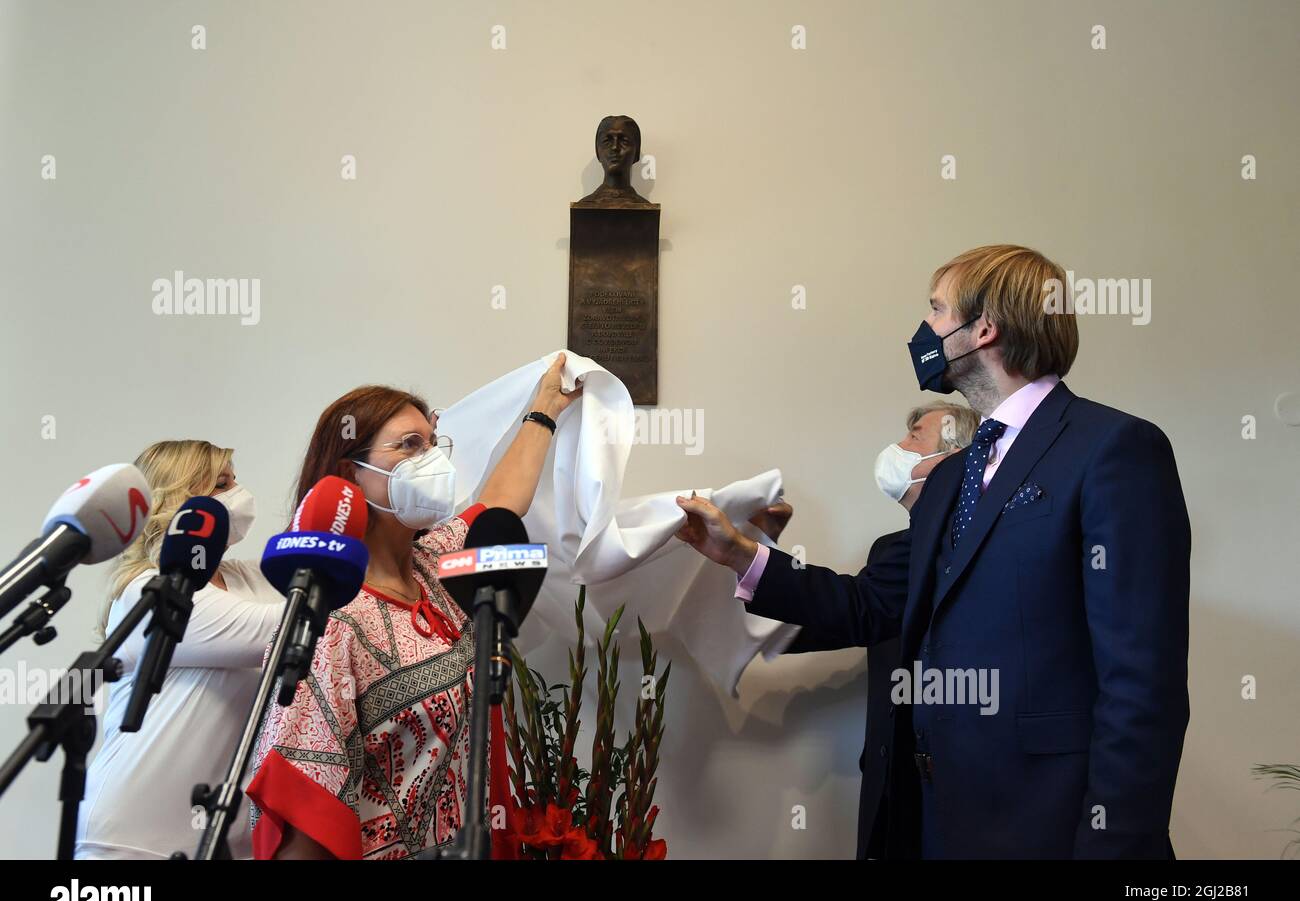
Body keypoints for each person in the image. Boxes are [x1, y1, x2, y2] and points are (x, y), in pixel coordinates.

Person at [676, 245, 1192, 859]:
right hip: (933, 819)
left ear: (985, 328)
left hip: (1047, 823)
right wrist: (739, 554)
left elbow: (1142, 682)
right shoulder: (951, 478)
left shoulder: (1113, 448)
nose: (924, 331)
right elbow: (874, 606)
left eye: (937, 310)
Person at [246, 354, 581, 859]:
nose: (433, 462)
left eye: (432, 443)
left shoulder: (437, 565)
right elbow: (305, 817)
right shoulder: (332, 623)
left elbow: (500, 501)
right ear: (349, 473)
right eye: (410, 446)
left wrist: (546, 407)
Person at [76, 440, 283, 859]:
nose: (238, 495)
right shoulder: (149, 591)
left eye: (235, 481)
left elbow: (319, 586)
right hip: (132, 837)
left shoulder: (246, 578)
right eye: (221, 485)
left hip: (222, 840)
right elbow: (285, 627)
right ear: (179, 501)